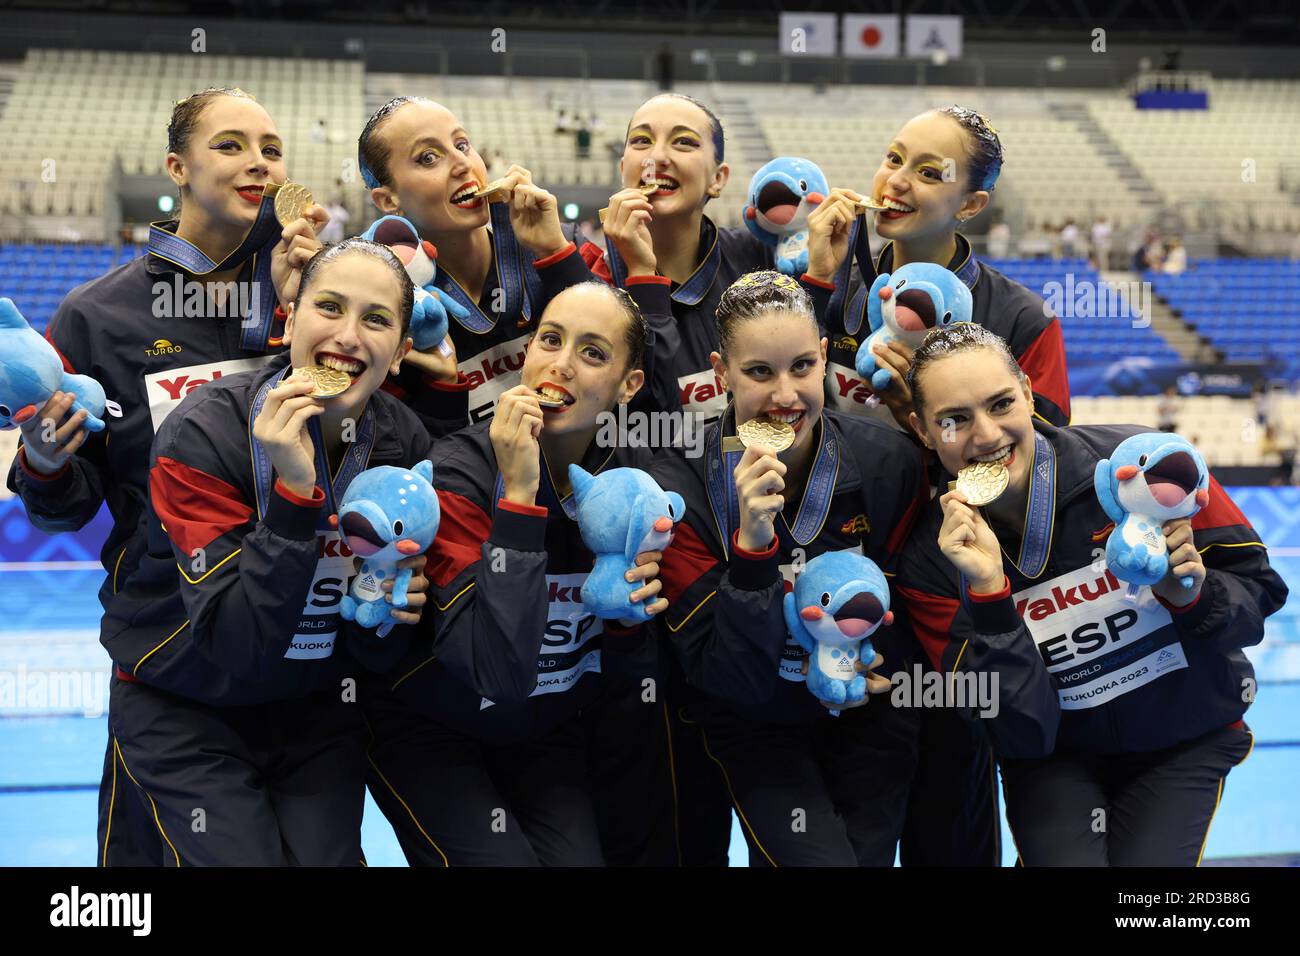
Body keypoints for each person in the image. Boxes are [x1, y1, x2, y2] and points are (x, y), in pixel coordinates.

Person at [6, 86, 325, 866]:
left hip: (307, 661)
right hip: (171, 664)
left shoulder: (314, 299)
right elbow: (69, 501)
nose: (258, 161)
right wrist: (46, 466)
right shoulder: (99, 315)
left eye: (272, 148)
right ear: (177, 167)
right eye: (231, 145)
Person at [897, 323, 1287, 865]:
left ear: (1029, 393)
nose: (985, 436)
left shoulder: (1142, 469)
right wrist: (989, 597)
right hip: (1055, 759)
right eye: (954, 420)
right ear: (921, 429)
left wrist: (1193, 595)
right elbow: (1019, 731)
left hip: (1183, 740)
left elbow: (1260, 594)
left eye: (1001, 403)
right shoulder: (931, 564)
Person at [99, 238, 435, 865]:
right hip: (184, 702)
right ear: (288, 321)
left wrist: (391, 610)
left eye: (377, 319)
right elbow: (236, 642)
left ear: (400, 354)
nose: (348, 336)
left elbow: (379, 648)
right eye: (329, 307)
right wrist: (294, 496)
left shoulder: (401, 442)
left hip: (313, 706)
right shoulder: (202, 432)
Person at [362, 281, 676, 865]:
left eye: (592, 353)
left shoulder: (632, 489)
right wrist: (522, 496)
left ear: (629, 386)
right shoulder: (458, 473)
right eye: (550, 340)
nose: (560, 364)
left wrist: (633, 619)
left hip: (543, 732)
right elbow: (495, 669)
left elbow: (625, 675)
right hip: (431, 723)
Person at [653, 272, 929, 866]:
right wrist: (752, 550)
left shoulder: (890, 464)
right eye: (759, 372)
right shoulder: (679, 484)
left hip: (867, 715)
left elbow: (912, 600)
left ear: (825, 357)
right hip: (754, 722)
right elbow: (727, 676)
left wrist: (890, 668)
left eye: (803, 367)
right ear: (721, 374)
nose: (786, 394)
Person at [803, 106, 1071, 433]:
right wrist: (817, 280)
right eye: (894, 159)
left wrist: (922, 420)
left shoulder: (1025, 321)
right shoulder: (838, 286)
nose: (896, 181)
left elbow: (1044, 460)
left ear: (969, 204)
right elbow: (787, 406)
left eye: (928, 173)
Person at [357, 96, 598, 433]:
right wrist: (442, 388)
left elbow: (624, 363)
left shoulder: (558, 243)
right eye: (428, 158)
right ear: (387, 199)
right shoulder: (391, 310)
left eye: (463, 145)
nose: (462, 164)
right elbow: (404, 452)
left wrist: (557, 255)